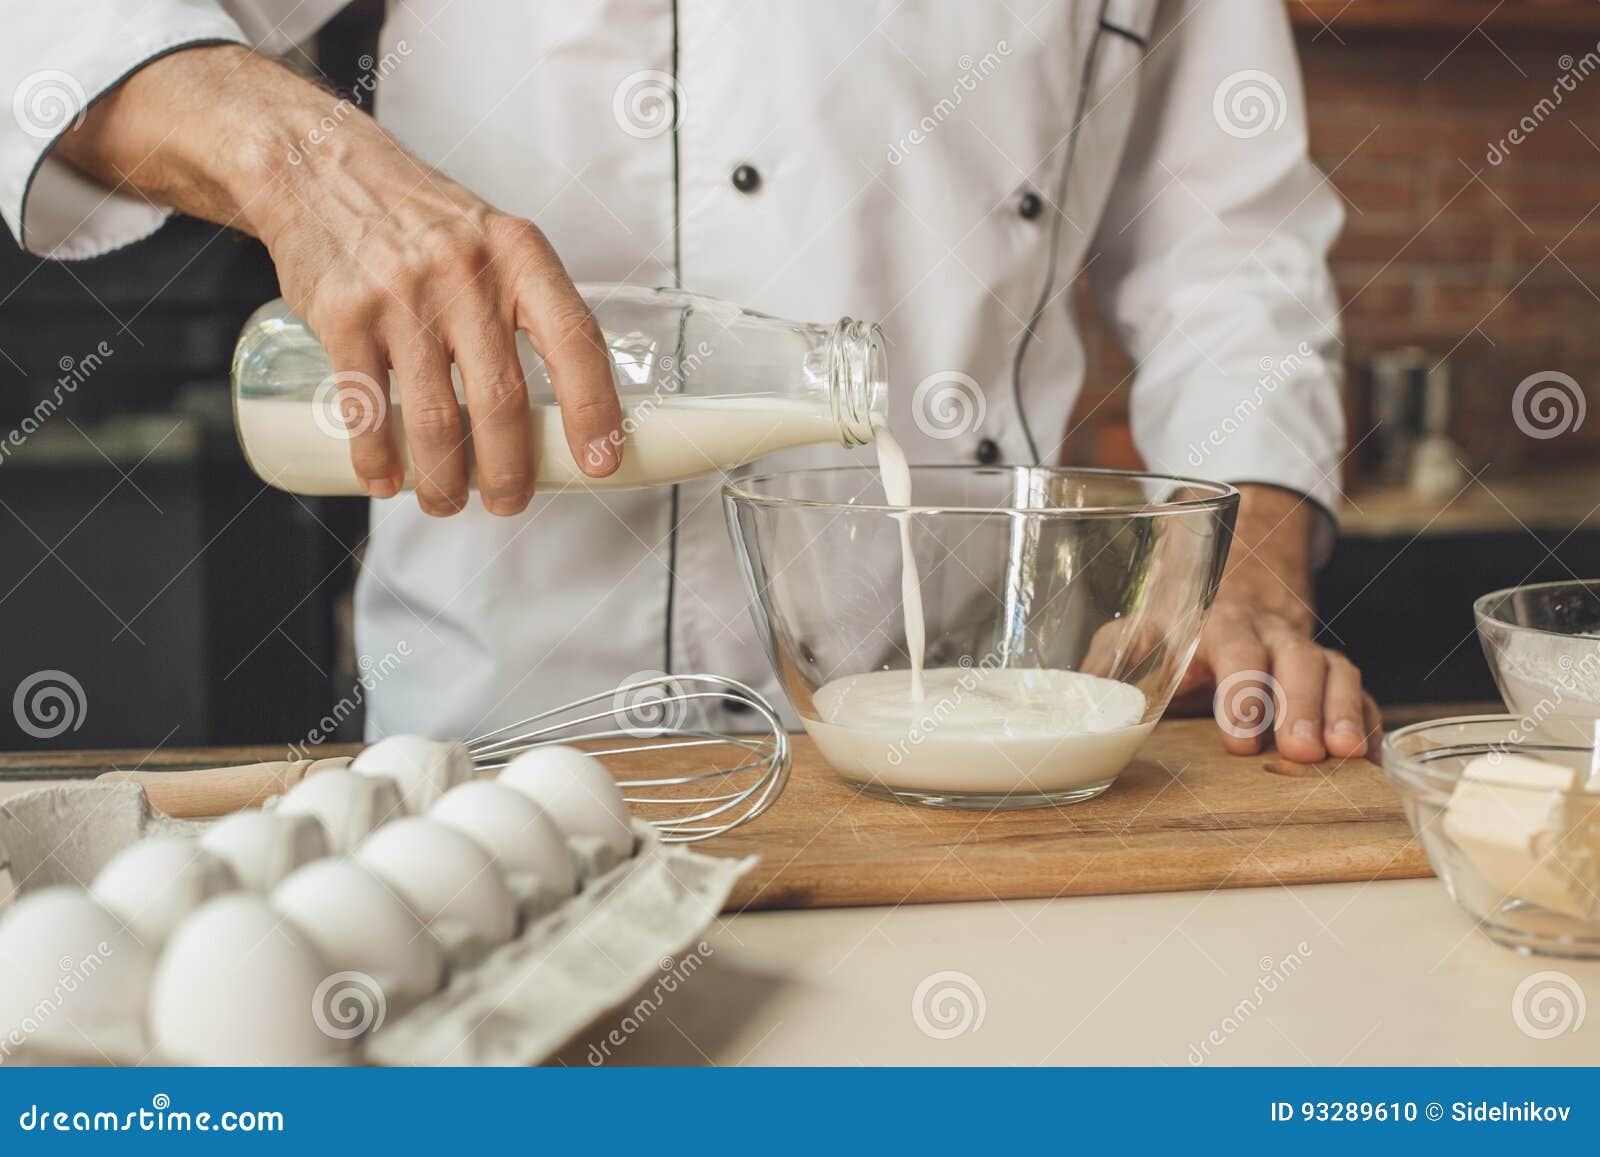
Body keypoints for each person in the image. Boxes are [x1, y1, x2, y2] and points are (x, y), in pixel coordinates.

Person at [2, 1, 1379, 760]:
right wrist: (310, 166)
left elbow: (1229, 242)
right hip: (502, 748)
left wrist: (1249, 577)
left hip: (953, 742)